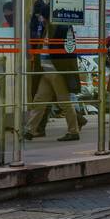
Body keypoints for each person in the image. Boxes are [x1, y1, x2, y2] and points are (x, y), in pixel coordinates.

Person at [24, 14, 84, 142]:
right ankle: (29, 130)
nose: (41, 18)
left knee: (64, 102)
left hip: (56, 72)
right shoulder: (46, 28)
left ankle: (73, 131)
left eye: (42, 16)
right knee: (39, 101)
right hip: (46, 71)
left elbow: (67, 50)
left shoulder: (60, 27)